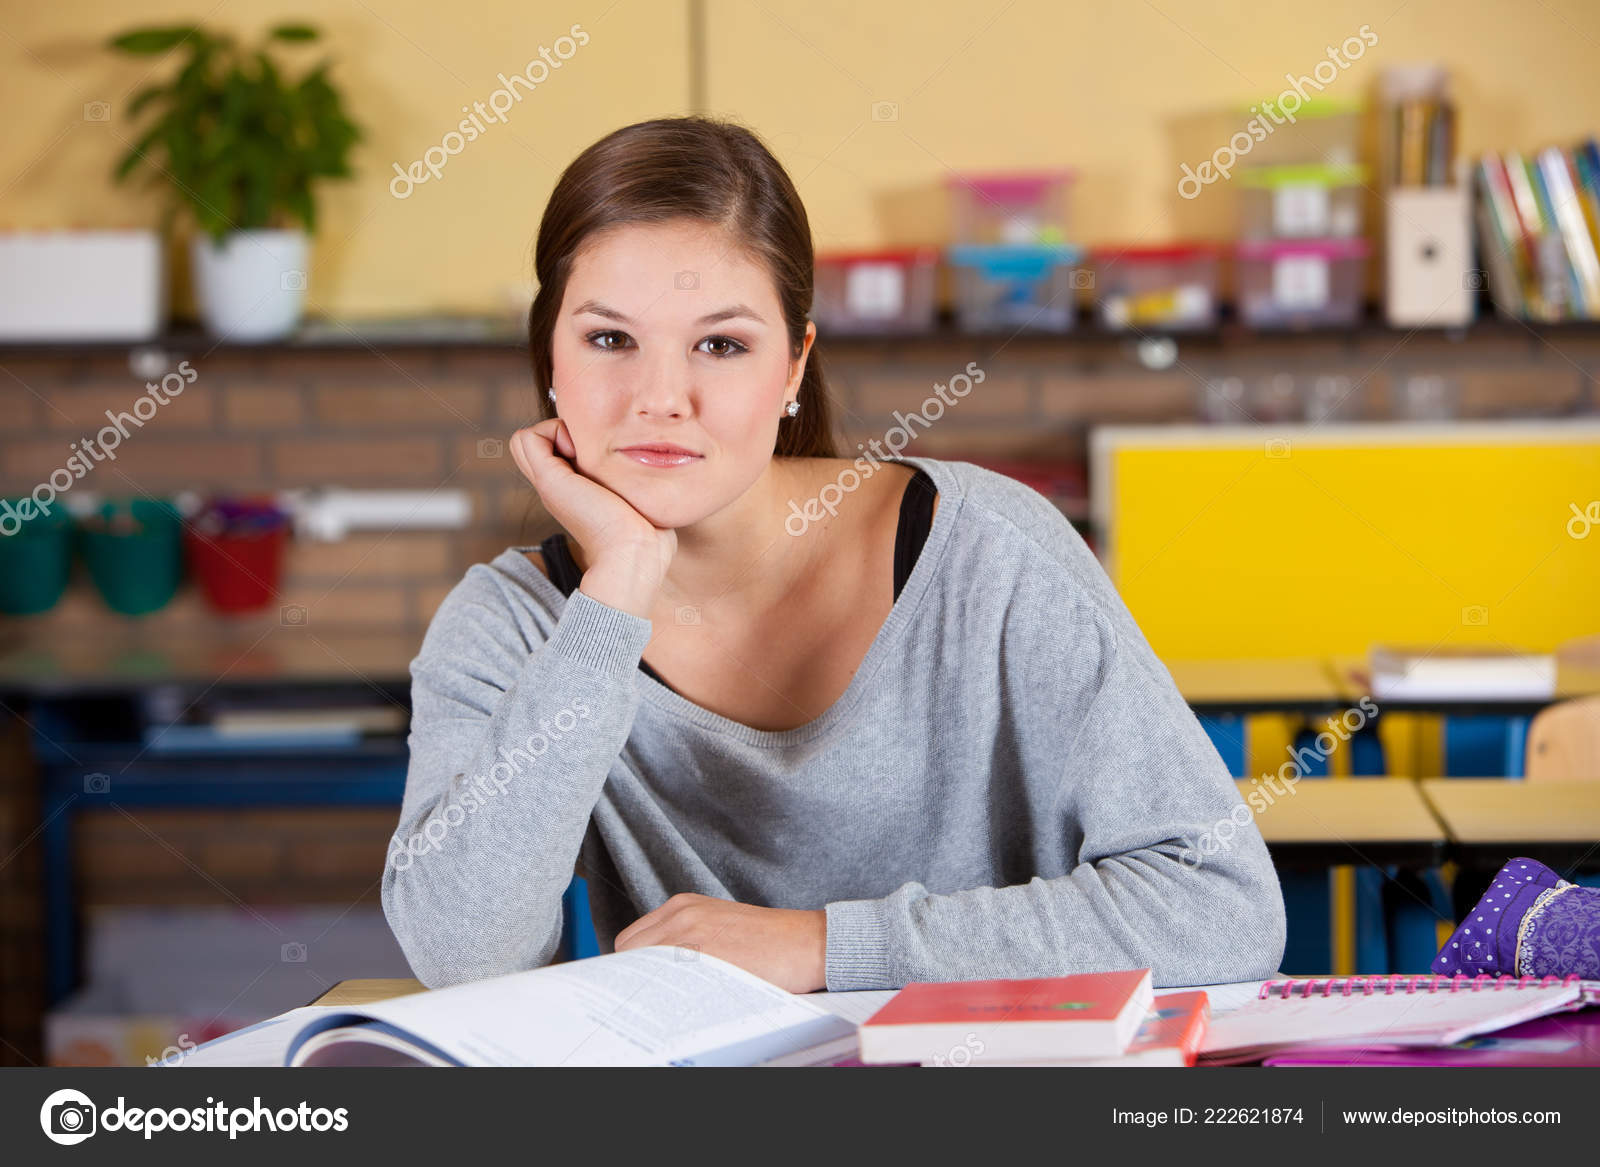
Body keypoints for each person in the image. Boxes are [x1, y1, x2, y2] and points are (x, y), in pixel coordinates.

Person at [381, 115, 1286, 993]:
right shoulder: (511, 622)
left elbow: (1221, 905)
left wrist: (823, 947)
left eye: (721, 344)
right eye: (610, 339)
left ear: (792, 368)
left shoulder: (990, 551)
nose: (661, 397)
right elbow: (465, 953)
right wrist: (613, 591)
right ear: (551, 358)